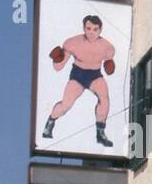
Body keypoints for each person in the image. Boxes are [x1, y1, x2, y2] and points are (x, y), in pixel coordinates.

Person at [42, 14, 116, 147]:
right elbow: (58, 67)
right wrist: (56, 59)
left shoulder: (107, 47)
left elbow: (109, 69)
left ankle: (100, 133)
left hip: (95, 74)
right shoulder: (72, 43)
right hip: (78, 75)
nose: (91, 32)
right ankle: (50, 122)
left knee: (104, 98)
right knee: (66, 105)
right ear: (84, 28)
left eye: (95, 29)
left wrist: (110, 66)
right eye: (88, 28)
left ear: (100, 30)